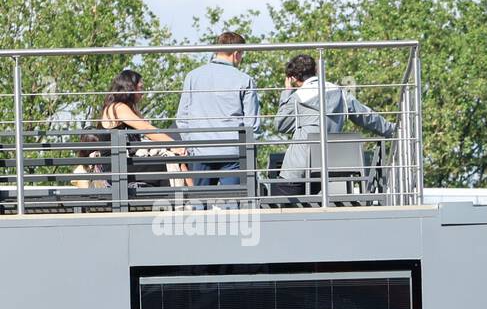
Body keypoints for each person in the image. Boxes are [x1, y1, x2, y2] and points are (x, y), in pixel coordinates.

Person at [272, 53, 396, 195]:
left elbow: (280, 124)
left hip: (297, 172)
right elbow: (367, 116)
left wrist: (287, 92)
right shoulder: (340, 93)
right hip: (328, 170)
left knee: (277, 198)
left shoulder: (297, 98)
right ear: (316, 71)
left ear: (294, 78)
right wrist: (392, 129)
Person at [175, 31, 260, 187]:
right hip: (233, 153)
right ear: (236, 54)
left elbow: (182, 117)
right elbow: (252, 124)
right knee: (234, 204)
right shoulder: (245, 80)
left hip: (201, 151)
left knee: (200, 204)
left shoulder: (193, 76)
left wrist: (193, 146)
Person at [98, 69, 190, 187]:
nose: (143, 92)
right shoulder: (118, 108)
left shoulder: (129, 108)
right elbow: (147, 129)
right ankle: (191, 200)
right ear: (130, 88)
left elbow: (147, 128)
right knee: (167, 164)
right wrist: (174, 145)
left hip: (127, 162)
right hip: (117, 167)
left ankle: (193, 200)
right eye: (140, 88)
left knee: (176, 159)